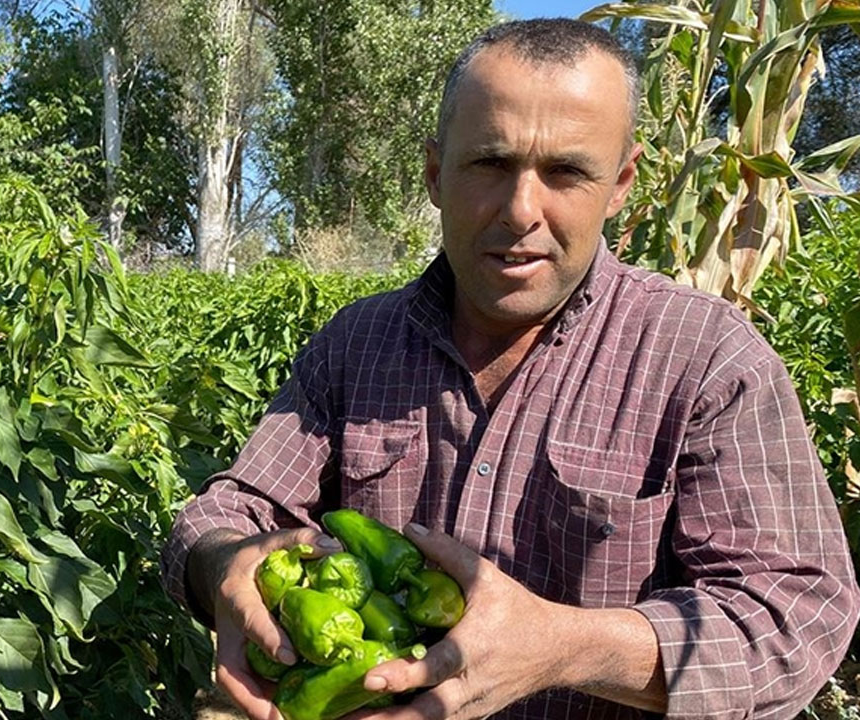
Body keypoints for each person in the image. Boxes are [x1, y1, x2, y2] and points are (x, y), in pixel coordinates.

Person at [160, 17, 860, 720]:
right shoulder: (356, 345)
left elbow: (797, 613)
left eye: (566, 172)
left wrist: (568, 648)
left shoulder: (704, 358)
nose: (522, 210)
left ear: (619, 184)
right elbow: (230, 510)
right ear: (436, 174)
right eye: (490, 164)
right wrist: (224, 564)